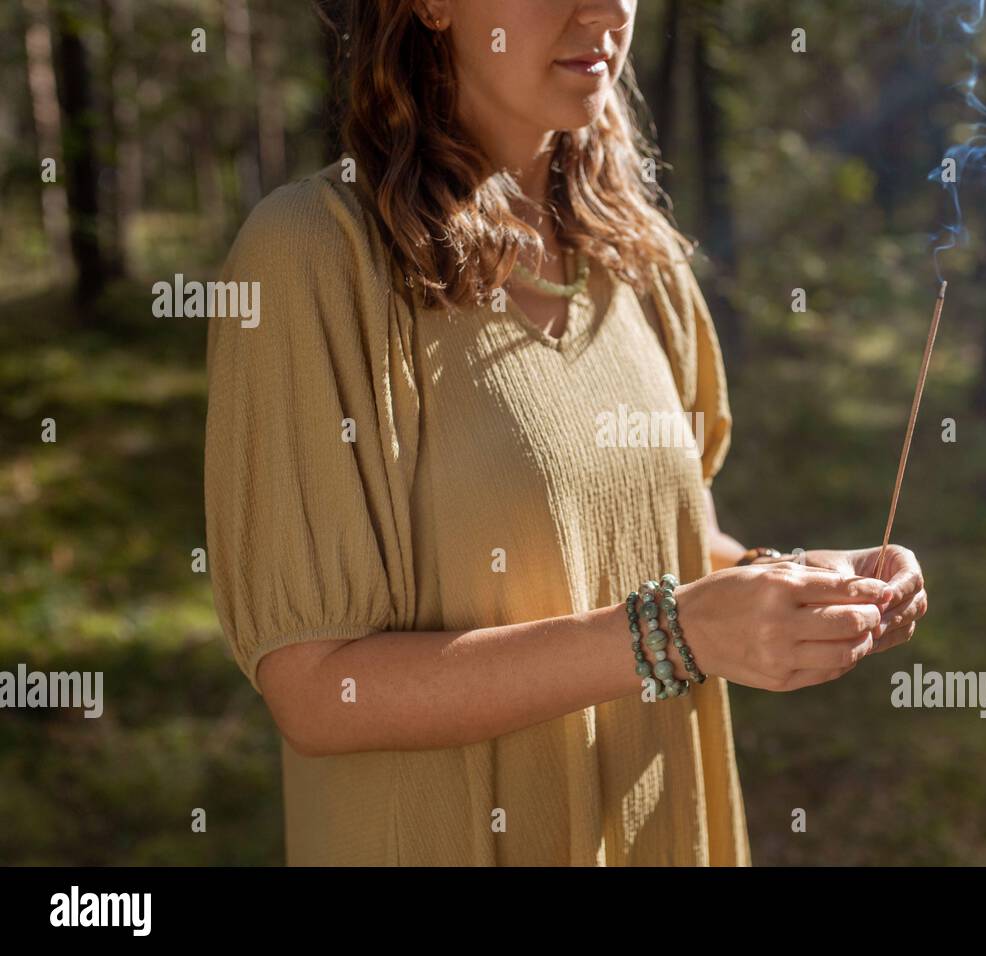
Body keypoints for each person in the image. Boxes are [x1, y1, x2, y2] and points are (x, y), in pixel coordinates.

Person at [203, 0, 928, 866]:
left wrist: (795, 585)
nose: (604, 10)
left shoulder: (639, 259)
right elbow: (320, 692)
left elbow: (663, 547)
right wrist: (677, 635)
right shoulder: (312, 257)